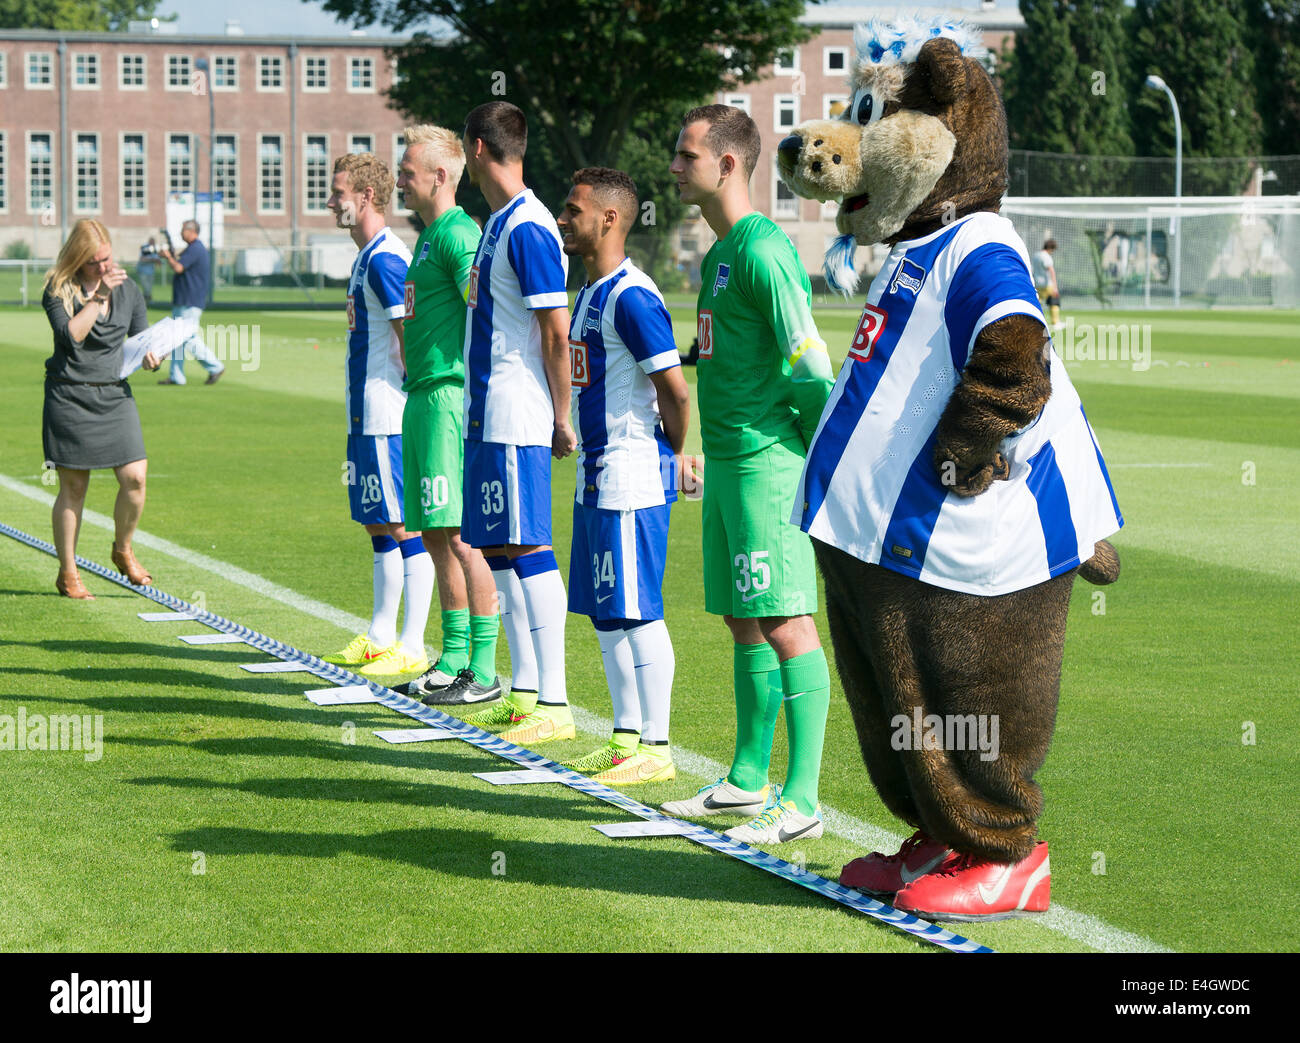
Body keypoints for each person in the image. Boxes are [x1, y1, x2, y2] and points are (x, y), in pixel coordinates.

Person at [660, 105, 836, 845]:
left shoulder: (763, 252)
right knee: (744, 618)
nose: (674, 166)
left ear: (727, 164)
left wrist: (809, 455)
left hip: (768, 464)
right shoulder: (722, 253)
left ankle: (801, 798)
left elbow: (813, 365)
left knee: (787, 621)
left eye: (686, 154)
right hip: (728, 463)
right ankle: (745, 778)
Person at [553, 167, 694, 784]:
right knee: (609, 611)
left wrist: (669, 457)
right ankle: (625, 737)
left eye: (572, 210)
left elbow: (677, 392)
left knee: (639, 610)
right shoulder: (587, 291)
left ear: (609, 219)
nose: (562, 219)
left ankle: (656, 748)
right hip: (594, 475)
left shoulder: (632, 297)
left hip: (632, 476)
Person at [454, 101, 575, 746]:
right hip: (486, 412)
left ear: (477, 148)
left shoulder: (528, 225)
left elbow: (556, 331)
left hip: (516, 409)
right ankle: (525, 688)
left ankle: (553, 697)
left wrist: (561, 414)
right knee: (498, 547)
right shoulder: (498, 221)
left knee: (528, 545)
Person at [391, 125, 503, 707]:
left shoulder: (460, 235)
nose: (400, 181)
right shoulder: (429, 238)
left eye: (408, 171)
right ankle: (454, 654)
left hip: (446, 398)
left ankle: (482, 666)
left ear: (440, 176)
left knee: (461, 535)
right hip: (421, 398)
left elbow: (484, 316)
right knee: (435, 533)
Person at [321, 152, 436, 679]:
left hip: (388, 413)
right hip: (364, 415)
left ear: (366, 197)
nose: (330, 200)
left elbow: (408, 335)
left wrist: (412, 406)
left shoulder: (388, 258)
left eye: (338, 191)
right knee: (377, 524)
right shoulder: (366, 256)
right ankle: (380, 635)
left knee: (403, 524)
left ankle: (413, 642)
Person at [42, 219, 162, 598]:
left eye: (107, 258)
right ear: (78, 259)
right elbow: (71, 337)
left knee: (136, 478)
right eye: (94, 262)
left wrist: (150, 357)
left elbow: (140, 339)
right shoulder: (58, 289)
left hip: (114, 396)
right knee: (74, 488)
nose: (104, 267)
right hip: (69, 397)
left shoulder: (129, 290)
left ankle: (122, 549)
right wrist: (97, 298)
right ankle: (69, 572)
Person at [157, 220, 225, 386]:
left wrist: (168, 257)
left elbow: (179, 267)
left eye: (183, 230)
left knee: (185, 337)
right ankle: (177, 376)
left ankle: (215, 366)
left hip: (189, 300)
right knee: (178, 338)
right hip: (184, 300)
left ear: (191, 231)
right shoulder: (193, 248)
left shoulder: (196, 248)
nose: (181, 233)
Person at [1032, 237, 1062, 329]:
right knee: (1054, 303)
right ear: (1050, 248)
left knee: (1037, 303)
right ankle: (1055, 323)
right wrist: (1055, 287)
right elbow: (1051, 270)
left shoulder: (1036, 255)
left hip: (1037, 283)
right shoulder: (1046, 256)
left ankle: (1034, 322)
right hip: (1047, 284)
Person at [137, 237, 160, 304]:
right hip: (143, 271)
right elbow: (142, 259)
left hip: (151, 271)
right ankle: (147, 300)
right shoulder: (145, 248)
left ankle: (146, 301)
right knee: (146, 287)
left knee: (149, 288)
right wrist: (152, 260)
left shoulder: (154, 250)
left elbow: (157, 260)